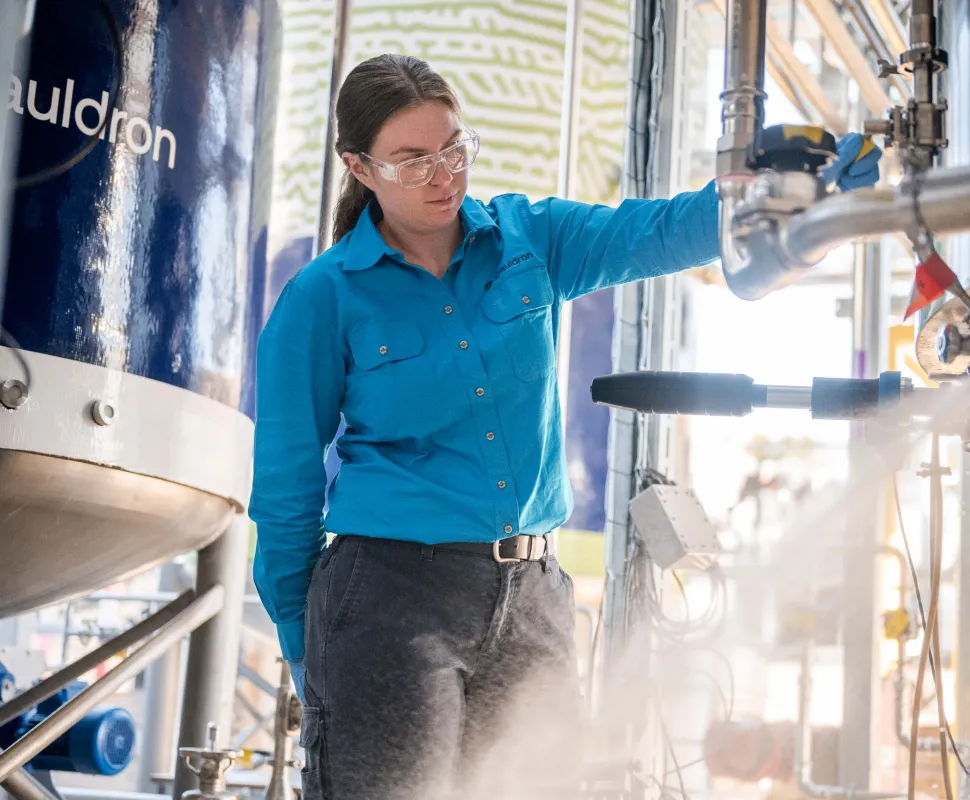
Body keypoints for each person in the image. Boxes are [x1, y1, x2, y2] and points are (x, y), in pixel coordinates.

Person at [249, 53, 881, 800]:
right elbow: (286, 496)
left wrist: (783, 202)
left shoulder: (529, 240)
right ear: (359, 167)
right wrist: (305, 651)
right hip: (390, 602)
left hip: (535, 598)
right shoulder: (323, 298)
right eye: (413, 161)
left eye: (453, 149)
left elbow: (654, 231)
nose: (443, 176)